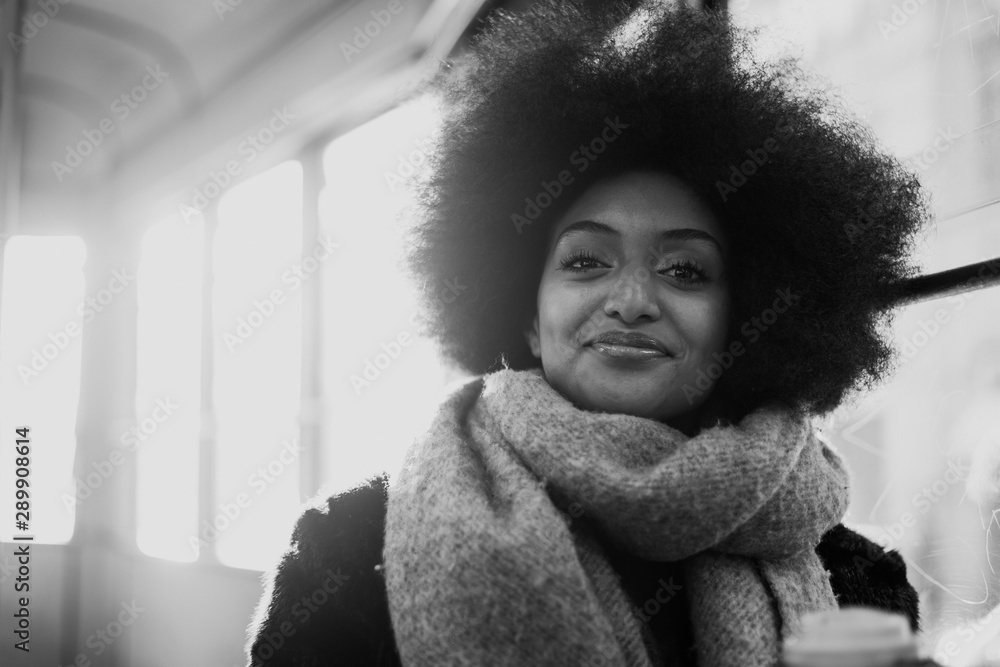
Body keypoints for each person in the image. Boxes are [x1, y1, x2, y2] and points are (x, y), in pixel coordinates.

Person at [244, 1, 931, 665]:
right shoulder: (352, 550)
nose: (631, 300)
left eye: (685, 270)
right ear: (525, 315)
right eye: (585, 261)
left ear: (746, 320)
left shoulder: (858, 582)